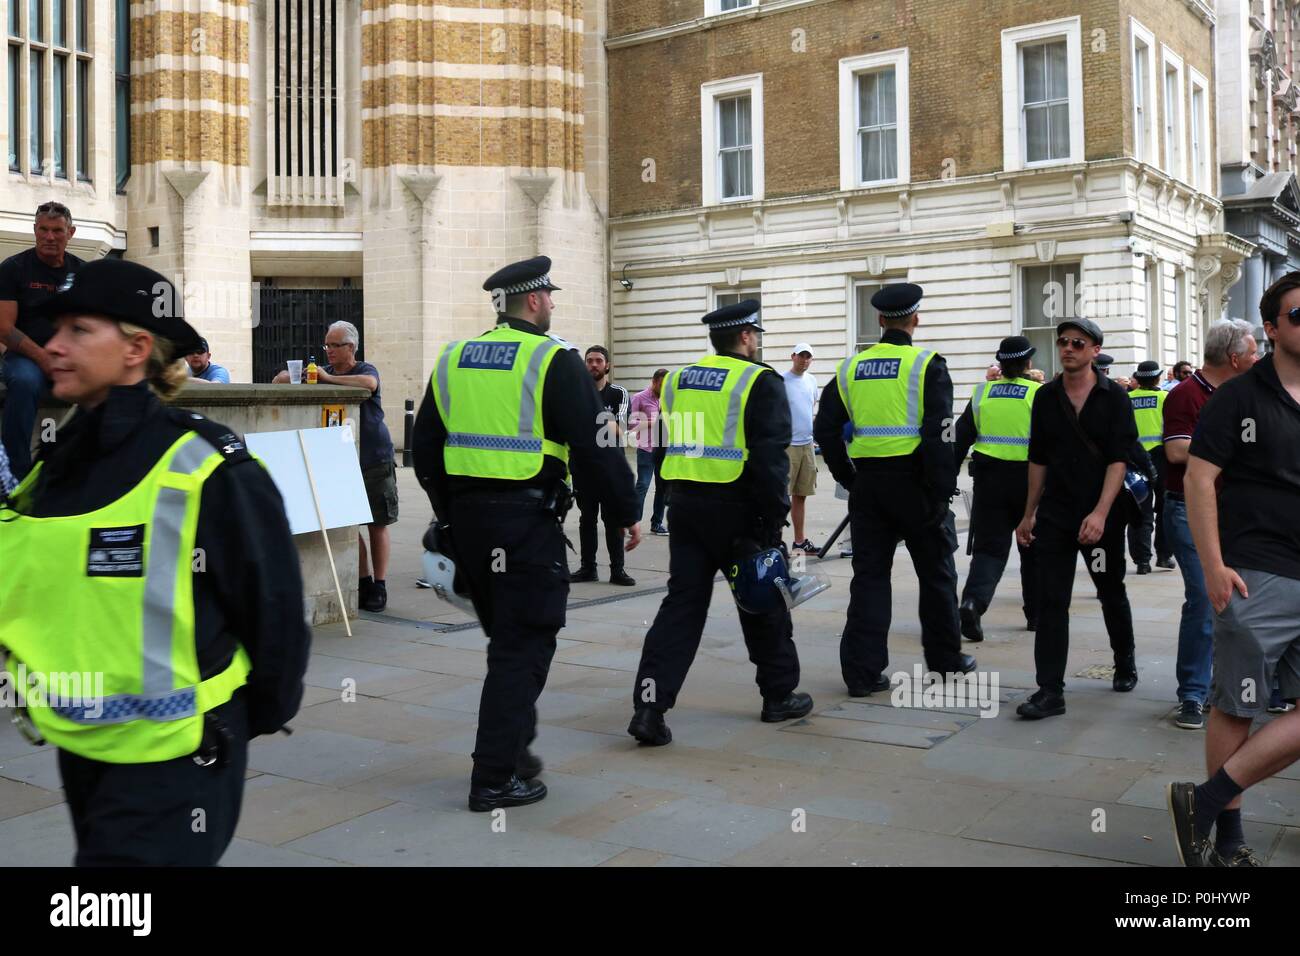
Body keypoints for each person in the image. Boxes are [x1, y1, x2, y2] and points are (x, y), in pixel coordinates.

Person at [0, 258, 310, 865]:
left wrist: (244, 719)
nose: (53, 346)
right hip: (83, 749)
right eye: (54, 329)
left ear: (136, 348)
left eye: (78, 331)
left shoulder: (205, 463)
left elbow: (273, 610)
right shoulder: (57, 463)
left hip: (178, 761)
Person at [413, 255, 639, 810]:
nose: (554, 305)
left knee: (508, 642)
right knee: (523, 646)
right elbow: (597, 446)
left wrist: (449, 512)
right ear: (533, 301)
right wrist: (628, 510)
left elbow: (423, 450)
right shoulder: (551, 358)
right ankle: (493, 777)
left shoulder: (452, 358)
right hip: (525, 525)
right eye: (551, 298)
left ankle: (515, 752)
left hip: (469, 524)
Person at [628, 300, 812, 746]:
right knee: (763, 599)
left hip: (686, 505)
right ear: (746, 337)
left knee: (681, 608)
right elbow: (770, 459)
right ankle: (778, 695)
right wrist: (775, 521)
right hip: (740, 509)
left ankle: (650, 709)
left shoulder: (677, 379)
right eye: (757, 336)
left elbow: (663, 443)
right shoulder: (759, 379)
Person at [1166, 274, 1300, 868]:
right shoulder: (1240, 398)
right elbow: (1199, 478)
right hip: (1257, 570)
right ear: (1271, 329)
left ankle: (1205, 801)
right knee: (1237, 703)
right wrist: (1214, 566)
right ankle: (1227, 838)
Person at [813, 283, 976, 696]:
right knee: (937, 574)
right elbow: (941, 434)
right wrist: (942, 492)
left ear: (881, 320)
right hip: (917, 485)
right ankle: (945, 661)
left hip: (869, 484)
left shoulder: (851, 368)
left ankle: (862, 673)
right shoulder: (926, 365)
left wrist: (847, 476)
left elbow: (825, 429)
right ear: (915, 319)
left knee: (869, 578)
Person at [1014, 319, 1140, 719]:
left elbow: (1119, 459)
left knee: (1109, 590)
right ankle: (1049, 690)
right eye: (1063, 342)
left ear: (1094, 350)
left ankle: (1124, 660)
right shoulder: (1047, 397)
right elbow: (1038, 459)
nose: (1068, 348)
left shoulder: (1115, 398)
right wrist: (1028, 514)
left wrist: (1101, 513)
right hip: (1056, 516)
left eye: (1078, 343)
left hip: (1102, 513)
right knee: (1052, 601)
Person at [1161, 320, 1258, 732]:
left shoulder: (1246, 395)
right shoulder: (1187, 393)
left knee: (1235, 601)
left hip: (1233, 510)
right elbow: (1177, 450)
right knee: (1203, 600)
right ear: (1234, 358)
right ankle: (1192, 695)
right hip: (1188, 508)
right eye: (1254, 352)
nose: (1259, 359)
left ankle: (1229, 688)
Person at [273, 320, 397, 612]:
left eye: (334, 345)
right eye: (326, 345)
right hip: (338, 461)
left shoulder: (364, 370)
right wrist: (289, 377)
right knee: (346, 523)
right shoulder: (321, 374)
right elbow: (280, 380)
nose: (328, 350)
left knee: (377, 524)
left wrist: (327, 380)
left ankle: (380, 585)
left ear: (351, 347)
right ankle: (363, 579)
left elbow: (369, 385)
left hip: (373, 457)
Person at [952, 336, 1041, 642]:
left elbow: (959, 438)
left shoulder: (981, 393)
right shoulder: (1038, 394)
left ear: (1001, 364)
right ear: (1028, 363)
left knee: (988, 551)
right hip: (1030, 484)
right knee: (1033, 549)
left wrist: (946, 479)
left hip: (989, 483)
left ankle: (972, 603)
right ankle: (1035, 615)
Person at [0, 201, 84, 479]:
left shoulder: (83, 273)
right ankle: (15, 476)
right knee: (25, 382)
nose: (49, 237)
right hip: (24, 357)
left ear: (70, 233)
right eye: (43, 230)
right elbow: (3, 328)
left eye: (57, 231)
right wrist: (42, 358)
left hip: (70, 356)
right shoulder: (13, 268)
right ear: (34, 230)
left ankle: (88, 470)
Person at [572, 345, 635, 586]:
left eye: (598, 360)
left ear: (607, 365)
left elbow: (619, 430)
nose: (594, 365)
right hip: (583, 468)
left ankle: (617, 570)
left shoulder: (618, 393)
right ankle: (588, 568)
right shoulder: (576, 392)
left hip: (610, 468)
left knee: (613, 521)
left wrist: (588, 423)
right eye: (589, 361)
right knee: (587, 519)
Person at [1127, 360, 1172, 573]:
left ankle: (1141, 561)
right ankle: (1163, 555)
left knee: (1138, 509)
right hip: (1160, 457)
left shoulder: (1127, 399)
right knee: (1164, 509)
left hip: (1134, 459)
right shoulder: (1165, 397)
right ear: (1156, 378)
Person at [783, 342, 820, 553]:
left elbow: (810, 407)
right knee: (782, 496)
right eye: (801, 356)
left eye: (808, 357)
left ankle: (799, 540)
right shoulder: (782, 380)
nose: (804, 360)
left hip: (807, 445)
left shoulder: (812, 381)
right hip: (788, 446)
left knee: (801, 495)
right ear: (793, 356)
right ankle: (775, 540)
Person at [628, 369, 669, 535]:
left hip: (664, 448)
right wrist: (652, 422)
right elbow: (630, 424)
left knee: (662, 488)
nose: (664, 387)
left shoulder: (668, 399)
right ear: (654, 382)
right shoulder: (639, 397)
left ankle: (657, 523)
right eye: (661, 384)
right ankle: (634, 522)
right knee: (643, 485)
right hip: (646, 448)